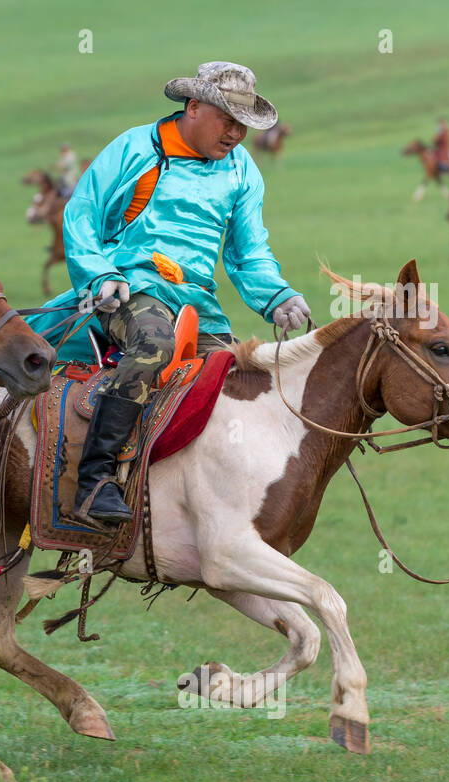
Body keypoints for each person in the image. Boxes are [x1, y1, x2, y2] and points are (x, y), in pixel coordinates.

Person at [50, 61, 308, 526]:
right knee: (153, 346)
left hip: (199, 305)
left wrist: (278, 295)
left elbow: (249, 250)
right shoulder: (134, 148)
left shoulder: (242, 169)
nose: (235, 135)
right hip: (133, 287)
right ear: (193, 107)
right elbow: (82, 214)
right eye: (227, 120)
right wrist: (99, 274)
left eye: (243, 126)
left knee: (241, 381)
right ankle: (94, 482)